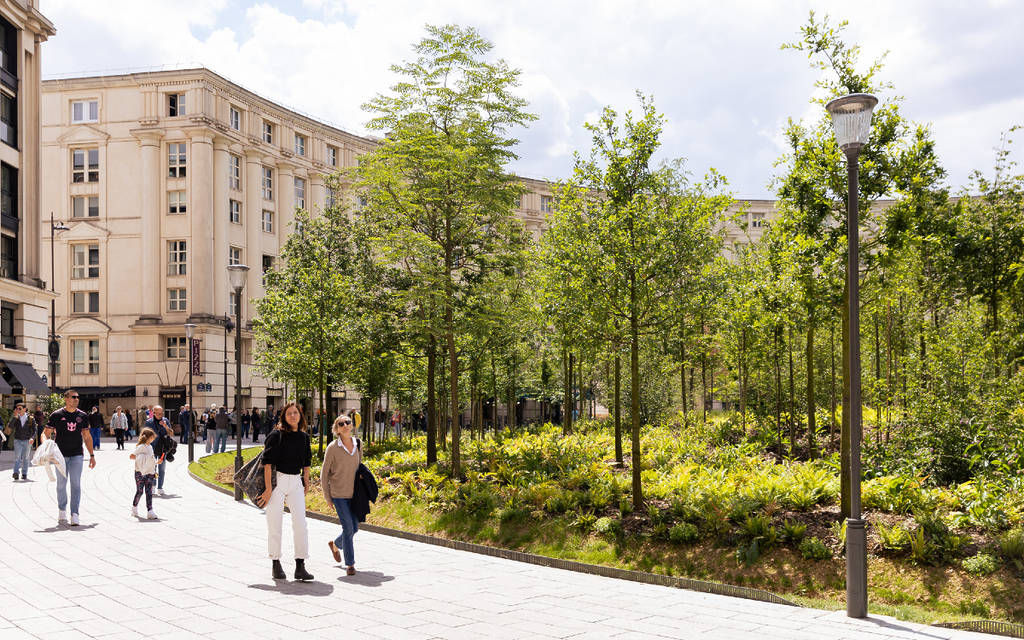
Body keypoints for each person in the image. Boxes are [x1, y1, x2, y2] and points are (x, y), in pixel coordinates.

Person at [259, 401, 313, 582]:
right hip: (278, 481)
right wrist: (268, 489)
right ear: (284, 416)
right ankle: (275, 562)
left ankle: (300, 565)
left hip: (295, 482)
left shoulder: (304, 437)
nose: (292, 416)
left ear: (300, 416)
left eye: (295, 413)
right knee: (275, 523)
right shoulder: (276, 435)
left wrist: (306, 481)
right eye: (289, 413)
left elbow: (306, 462)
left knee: (301, 524)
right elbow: (267, 463)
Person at [42, 390, 95, 526]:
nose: (76, 399)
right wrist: (45, 445)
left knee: (76, 484)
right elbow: (45, 433)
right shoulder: (57, 415)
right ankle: (62, 510)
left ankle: (75, 513)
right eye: (73, 397)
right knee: (61, 485)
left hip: (77, 454)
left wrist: (92, 455)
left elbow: (87, 436)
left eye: (78, 397)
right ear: (66, 399)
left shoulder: (82, 416)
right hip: (60, 456)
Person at [320, 415, 361, 576]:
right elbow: (324, 474)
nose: (345, 425)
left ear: (351, 426)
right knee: (348, 527)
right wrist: (327, 497)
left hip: (355, 495)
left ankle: (336, 544)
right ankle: (350, 564)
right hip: (339, 494)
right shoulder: (332, 448)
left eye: (348, 422)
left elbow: (359, 468)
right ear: (336, 429)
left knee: (355, 527)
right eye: (341, 424)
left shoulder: (358, 444)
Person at [130, 428, 159, 519]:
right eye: (152, 438)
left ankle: (150, 510)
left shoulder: (150, 447)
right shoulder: (141, 446)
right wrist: (143, 458)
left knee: (149, 492)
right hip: (140, 472)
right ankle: (134, 507)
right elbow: (131, 456)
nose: (153, 439)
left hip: (149, 472)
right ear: (147, 437)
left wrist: (157, 462)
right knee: (140, 491)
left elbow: (151, 459)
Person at [146, 405, 173, 496]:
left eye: (162, 413)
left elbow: (171, 433)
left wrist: (165, 426)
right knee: (153, 468)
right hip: (152, 449)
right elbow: (145, 435)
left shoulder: (166, 420)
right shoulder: (149, 422)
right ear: (154, 413)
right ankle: (153, 486)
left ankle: (160, 487)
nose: (161, 415)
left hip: (163, 448)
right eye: (159, 413)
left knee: (162, 469)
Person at [11, 403, 36, 481]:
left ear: (25, 409)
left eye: (20, 408)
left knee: (26, 458)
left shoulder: (30, 418)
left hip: (27, 440)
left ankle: (24, 473)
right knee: (17, 457)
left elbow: (35, 430)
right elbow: (10, 427)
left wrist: (32, 438)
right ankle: (16, 473)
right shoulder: (16, 417)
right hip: (17, 440)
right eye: (17, 408)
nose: (18, 410)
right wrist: (14, 417)